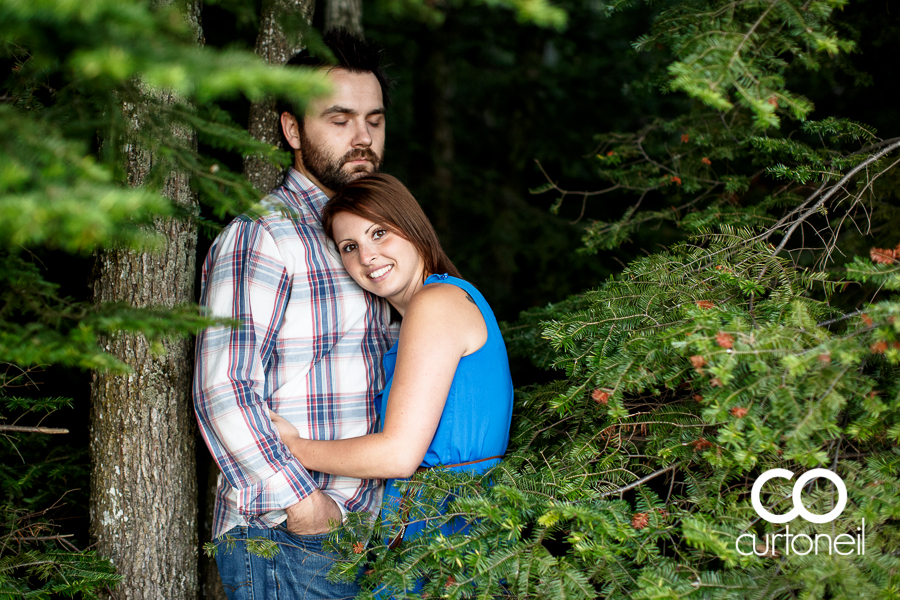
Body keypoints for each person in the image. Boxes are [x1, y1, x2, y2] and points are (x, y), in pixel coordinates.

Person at [193, 31, 395, 600]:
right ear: (292, 130)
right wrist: (305, 505)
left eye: (374, 121)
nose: (363, 138)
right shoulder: (263, 238)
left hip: (368, 530)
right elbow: (222, 387)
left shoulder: (377, 240)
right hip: (292, 537)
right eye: (340, 119)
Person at [269, 173, 514, 561]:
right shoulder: (440, 304)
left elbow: (398, 454)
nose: (367, 257)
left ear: (412, 227)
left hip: (444, 529)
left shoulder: (436, 303)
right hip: (444, 526)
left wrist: (295, 448)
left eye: (379, 233)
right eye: (350, 246)